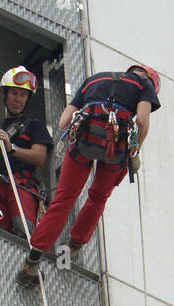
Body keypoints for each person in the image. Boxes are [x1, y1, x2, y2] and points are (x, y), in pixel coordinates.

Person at [16, 62, 161, 287]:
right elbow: (141, 120)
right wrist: (134, 152)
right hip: (116, 151)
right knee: (97, 198)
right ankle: (72, 247)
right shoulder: (144, 84)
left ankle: (32, 263)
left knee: (63, 200)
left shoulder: (94, 79)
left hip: (83, 142)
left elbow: (64, 122)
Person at [0, 67, 52, 237]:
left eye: (23, 95)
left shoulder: (34, 126)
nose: (18, 99)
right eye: (14, 93)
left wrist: (11, 148)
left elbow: (39, 157)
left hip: (20, 187)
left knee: (23, 230)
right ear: (5, 94)